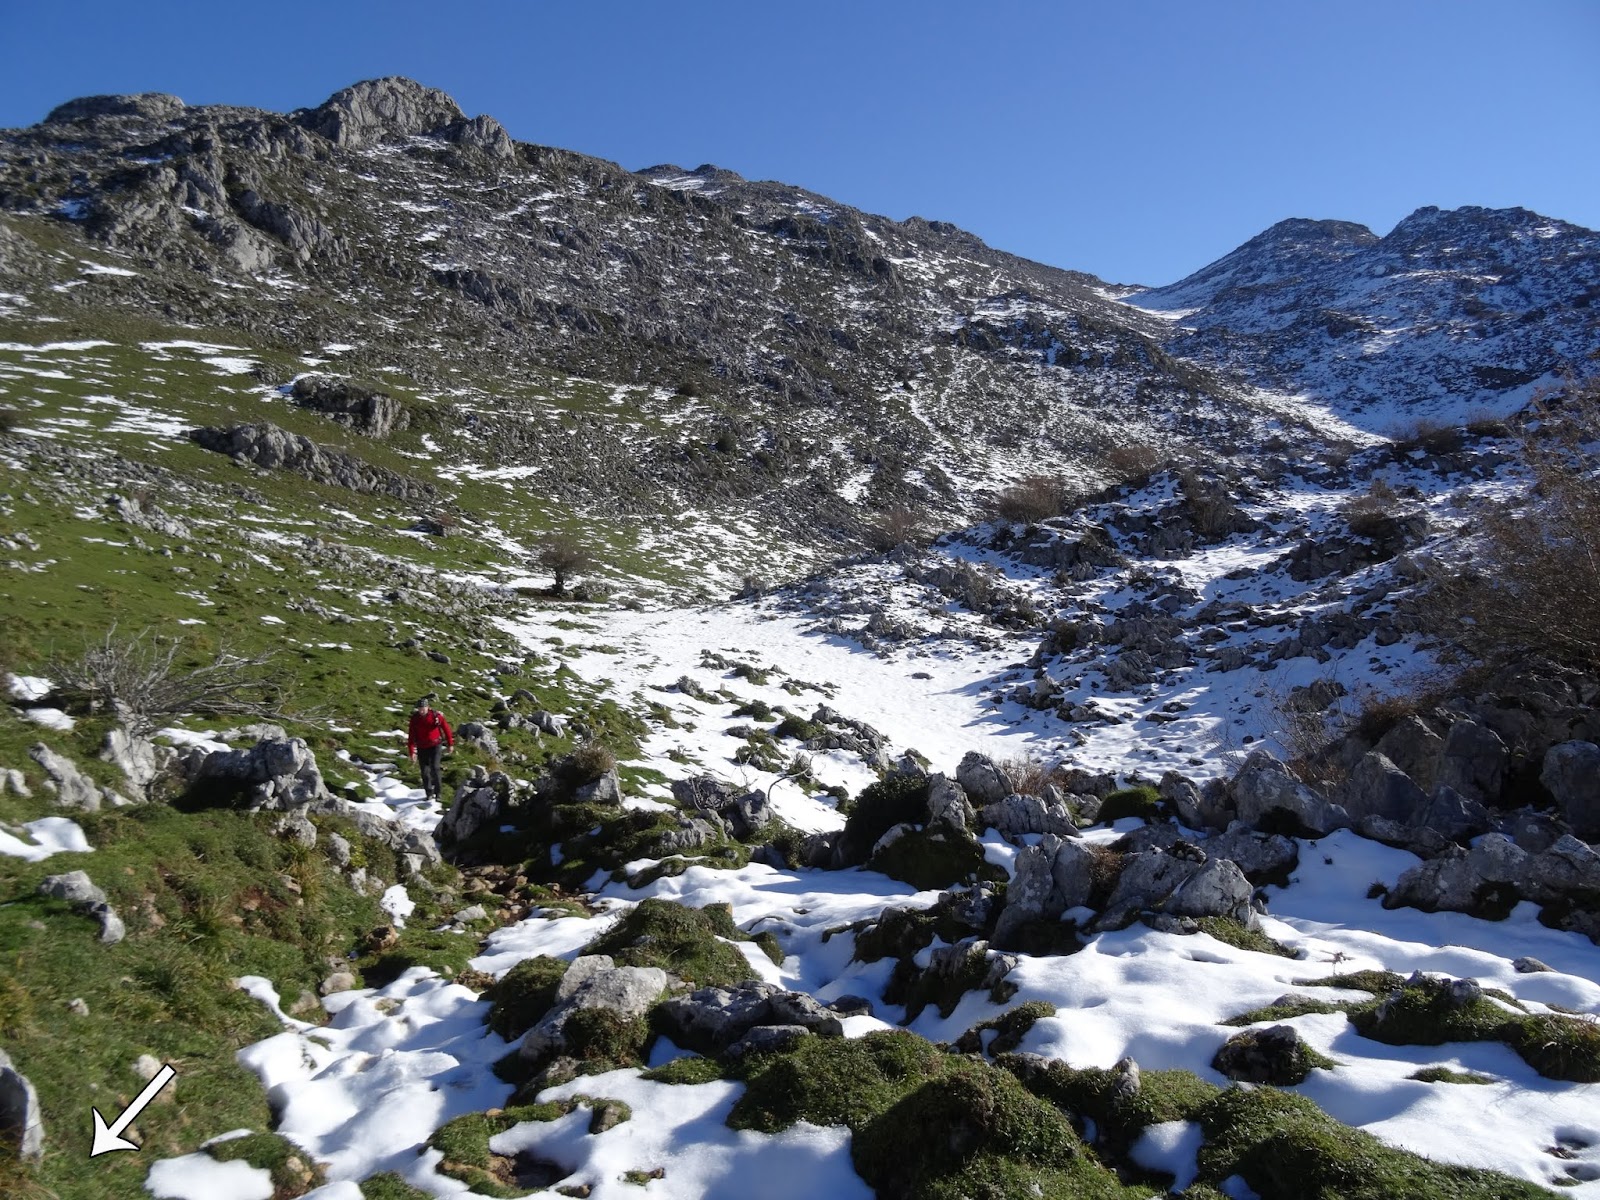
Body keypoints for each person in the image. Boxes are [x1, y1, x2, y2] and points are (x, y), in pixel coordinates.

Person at [407, 695, 454, 803]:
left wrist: (450, 744)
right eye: (419, 708)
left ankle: (438, 793)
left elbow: (446, 729)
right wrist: (411, 751)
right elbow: (411, 736)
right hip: (422, 747)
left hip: (435, 745)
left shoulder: (436, 716)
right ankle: (429, 793)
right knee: (424, 772)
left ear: (428, 707)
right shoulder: (415, 719)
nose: (421, 710)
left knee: (435, 768)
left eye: (423, 708)